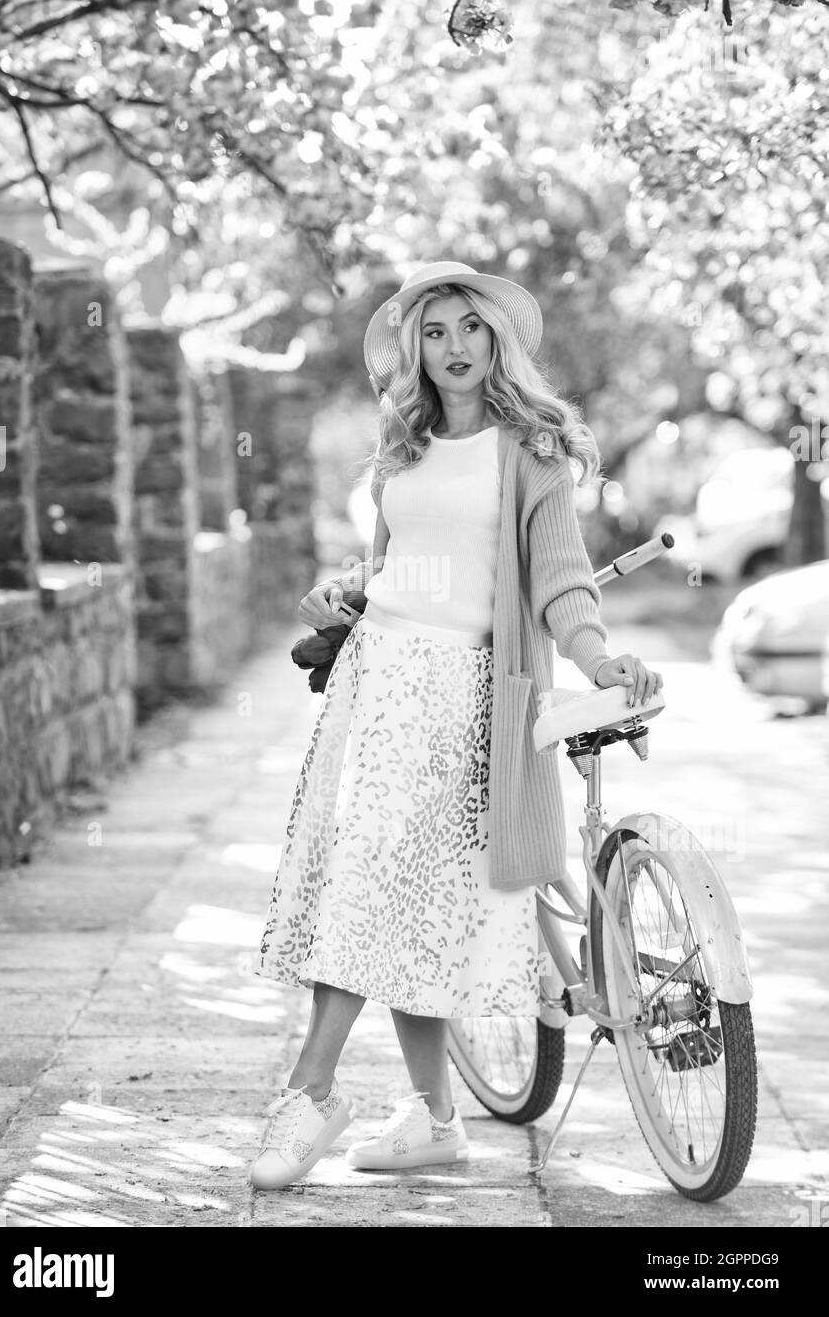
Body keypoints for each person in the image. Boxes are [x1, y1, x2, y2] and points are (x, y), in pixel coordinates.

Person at [247, 260, 663, 1191]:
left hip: (468, 694)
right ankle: (436, 1119)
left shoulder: (533, 454)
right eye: (435, 334)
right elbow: (394, 562)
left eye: (470, 330)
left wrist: (598, 662)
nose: (454, 349)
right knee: (397, 896)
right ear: (416, 350)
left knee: (381, 889)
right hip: (379, 684)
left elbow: (560, 579)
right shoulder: (401, 447)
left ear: (498, 340)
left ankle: (309, 1091)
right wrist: (349, 594)